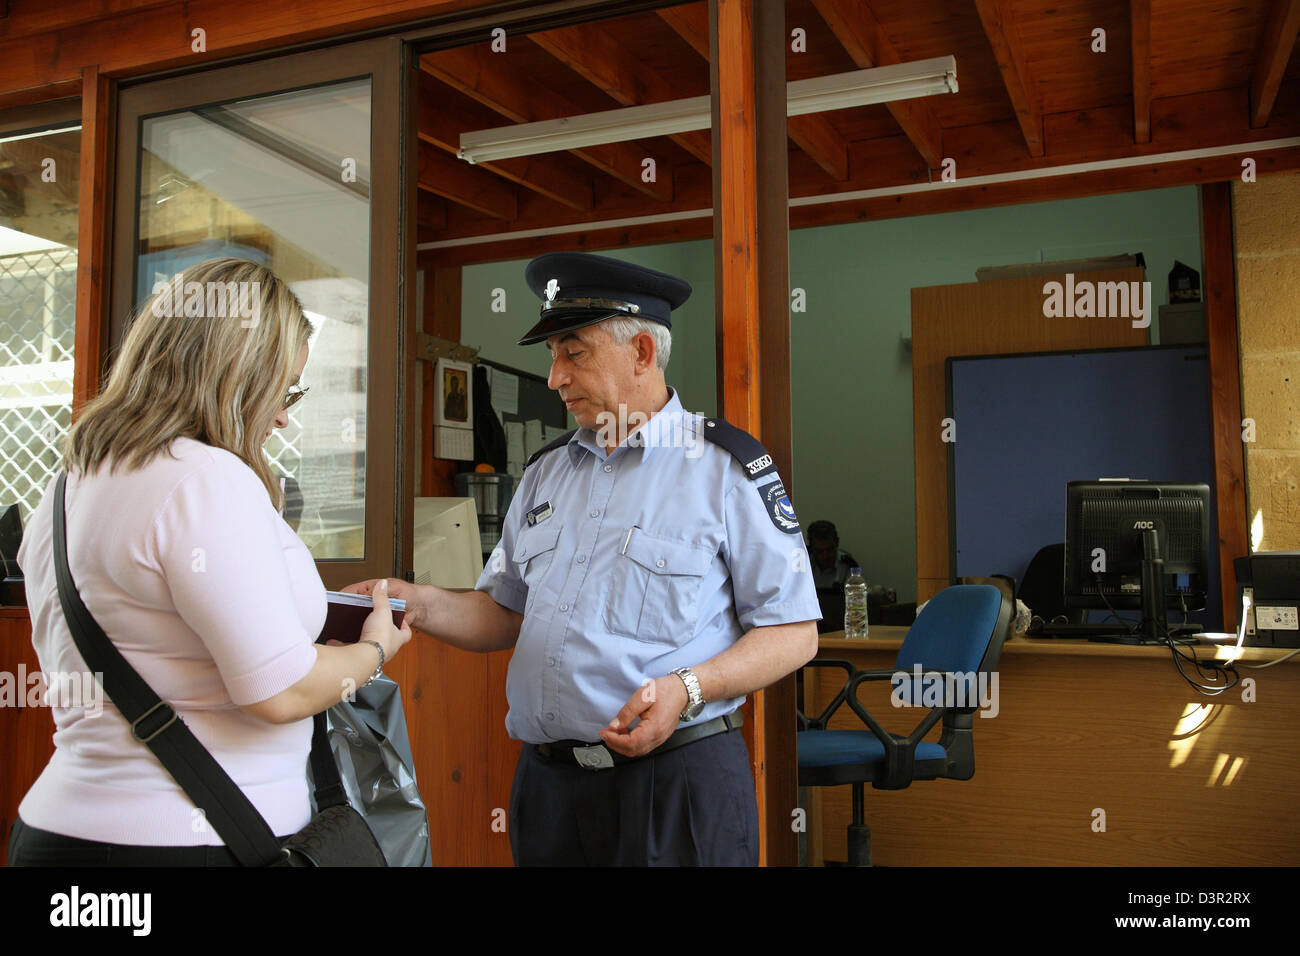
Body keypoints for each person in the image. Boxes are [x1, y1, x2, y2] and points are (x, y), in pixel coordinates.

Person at [346, 251, 820, 866]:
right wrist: (419, 601)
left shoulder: (725, 468)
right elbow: (505, 614)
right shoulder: (546, 474)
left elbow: (793, 632)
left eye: (574, 353)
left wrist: (689, 686)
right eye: (552, 356)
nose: (554, 377)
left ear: (642, 353)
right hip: (551, 791)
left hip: (675, 786)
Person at [7, 258, 411, 866]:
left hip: (57, 834)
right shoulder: (205, 479)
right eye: (283, 389)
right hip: (191, 841)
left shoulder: (66, 488)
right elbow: (280, 692)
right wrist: (374, 649)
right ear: (235, 376)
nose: (283, 415)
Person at [806, 520, 860, 591]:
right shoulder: (802, 563)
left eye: (829, 550)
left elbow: (854, 596)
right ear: (811, 547)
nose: (825, 556)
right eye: (819, 551)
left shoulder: (848, 565)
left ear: (837, 543)